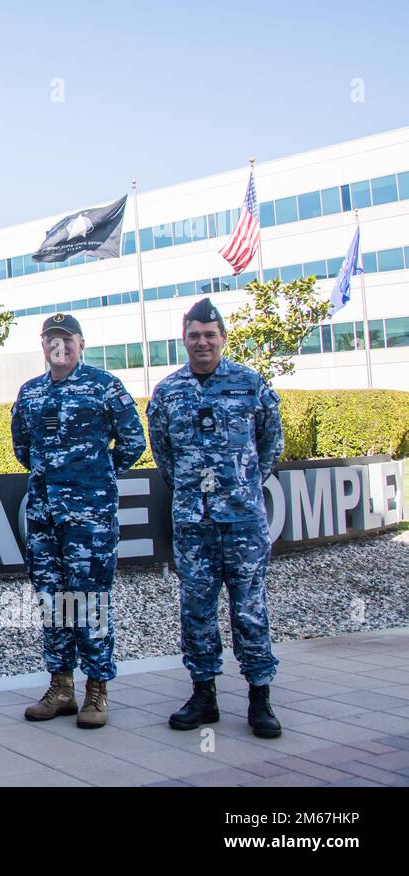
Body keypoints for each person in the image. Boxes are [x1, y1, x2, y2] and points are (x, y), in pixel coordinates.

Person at [147, 297, 284, 739]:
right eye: (193, 335)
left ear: (223, 338)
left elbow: (271, 445)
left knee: (250, 610)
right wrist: (194, 492)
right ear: (184, 340)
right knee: (197, 610)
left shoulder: (250, 385)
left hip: (243, 521)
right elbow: (163, 453)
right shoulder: (169, 391)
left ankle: (259, 697)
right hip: (193, 523)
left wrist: (242, 486)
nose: (201, 342)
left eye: (209, 335)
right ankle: (203, 694)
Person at [11, 313, 146, 729]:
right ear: (43, 345)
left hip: (90, 520)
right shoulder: (30, 393)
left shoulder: (105, 387)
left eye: (67, 340)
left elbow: (133, 442)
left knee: (90, 601)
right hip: (44, 517)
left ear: (81, 344)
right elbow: (21, 446)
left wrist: (96, 481)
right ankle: (60, 688)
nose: (60, 347)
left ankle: (96, 690)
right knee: (52, 602)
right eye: (52, 340)